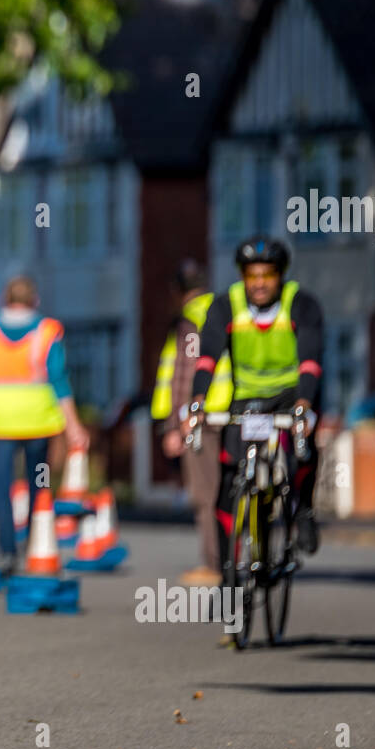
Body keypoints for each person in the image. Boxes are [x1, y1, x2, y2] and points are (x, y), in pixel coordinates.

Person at [184, 237, 324, 562]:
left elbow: (310, 361)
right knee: (227, 485)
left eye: (268, 275)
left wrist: (304, 403)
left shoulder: (301, 304)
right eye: (252, 275)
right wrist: (197, 400)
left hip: (291, 396)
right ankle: (229, 571)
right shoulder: (226, 305)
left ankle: (302, 509)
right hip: (246, 399)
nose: (259, 283)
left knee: (303, 453)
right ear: (242, 276)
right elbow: (207, 357)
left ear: (281, 276)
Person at [0, 275, 89, 573]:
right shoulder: (47, 331)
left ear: (2, 299)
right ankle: (36, 541)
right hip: (37, 422)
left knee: (0, 486)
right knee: (39, 483)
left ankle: (7, 550)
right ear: (35, 301)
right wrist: (74, 425)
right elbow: (59, 380)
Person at [151, 259, 232, 586]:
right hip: (234, 411)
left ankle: (215, 563)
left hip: (204, 417)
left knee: (205, 493)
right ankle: (245, 557)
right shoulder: (227, 311)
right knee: (232, 489)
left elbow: (185, 373)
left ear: (177, 292)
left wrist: (175, 425)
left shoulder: (191, 319)